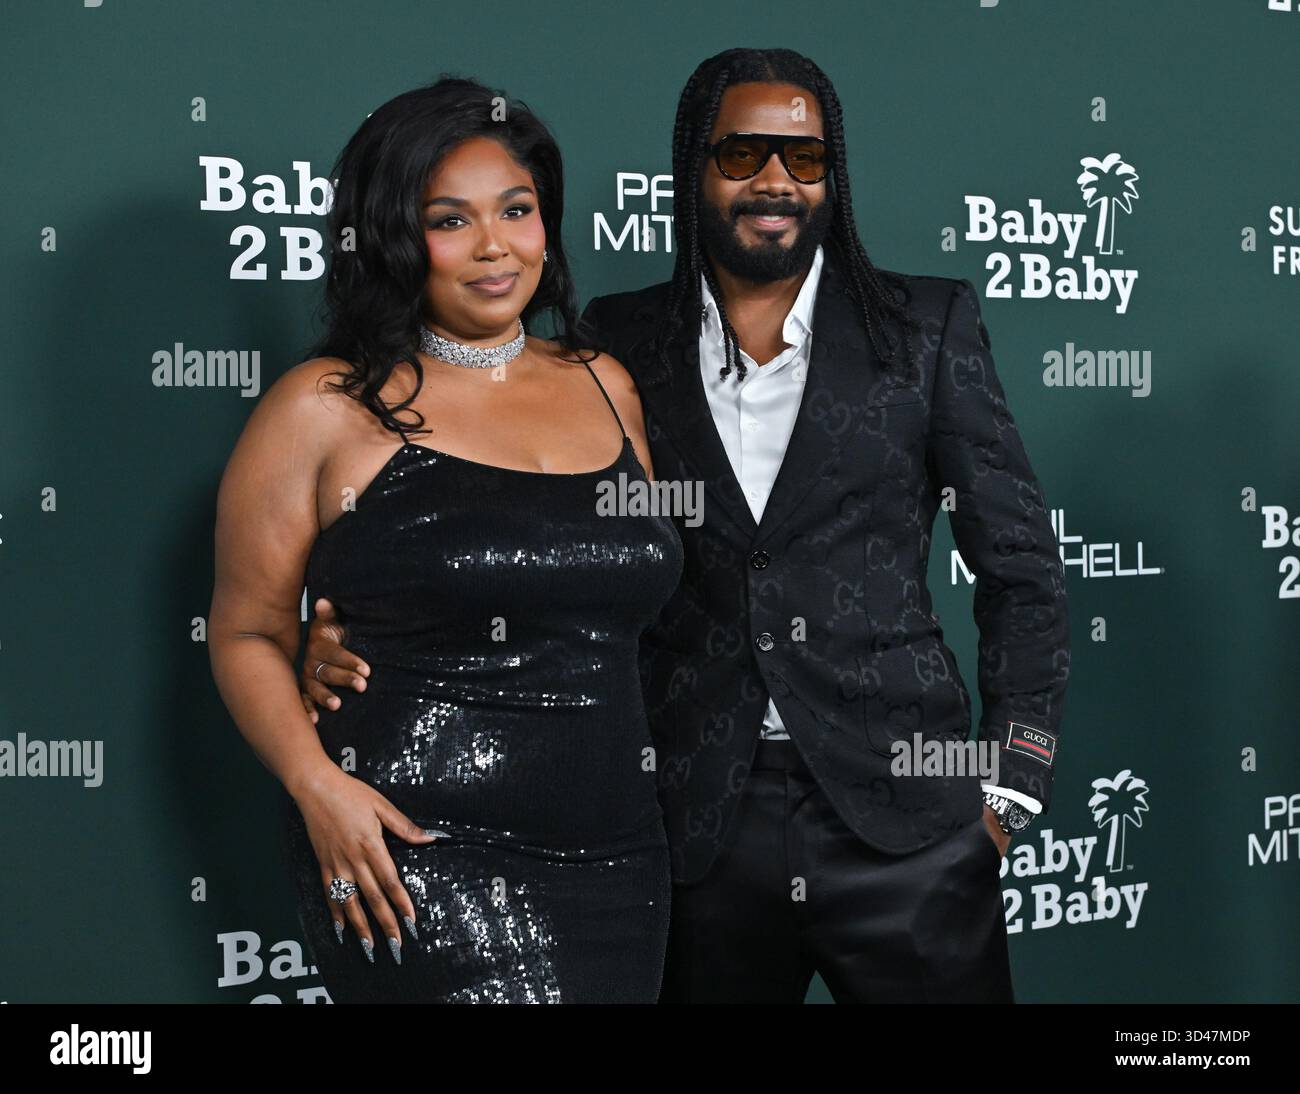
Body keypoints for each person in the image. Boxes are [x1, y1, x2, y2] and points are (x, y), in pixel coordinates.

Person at [303, 48, 1071, 1004]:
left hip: (907, 815)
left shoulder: (925, 328)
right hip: (688, 825)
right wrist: (330, 639)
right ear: (692, 168)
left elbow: (1023, 568)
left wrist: (1011, 790)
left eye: (805, 158)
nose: (775, 182)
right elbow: (503, 535)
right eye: (742, 155)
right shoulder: (609, 351)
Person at [208, 77, 682, 1003]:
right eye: (450, 220)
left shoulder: (606, 383)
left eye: (517, 209)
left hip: (623, 851)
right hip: (411, 845)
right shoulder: (324, 407)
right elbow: (246, 631)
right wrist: (318, 787)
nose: (496, 245)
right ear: (391, 237)